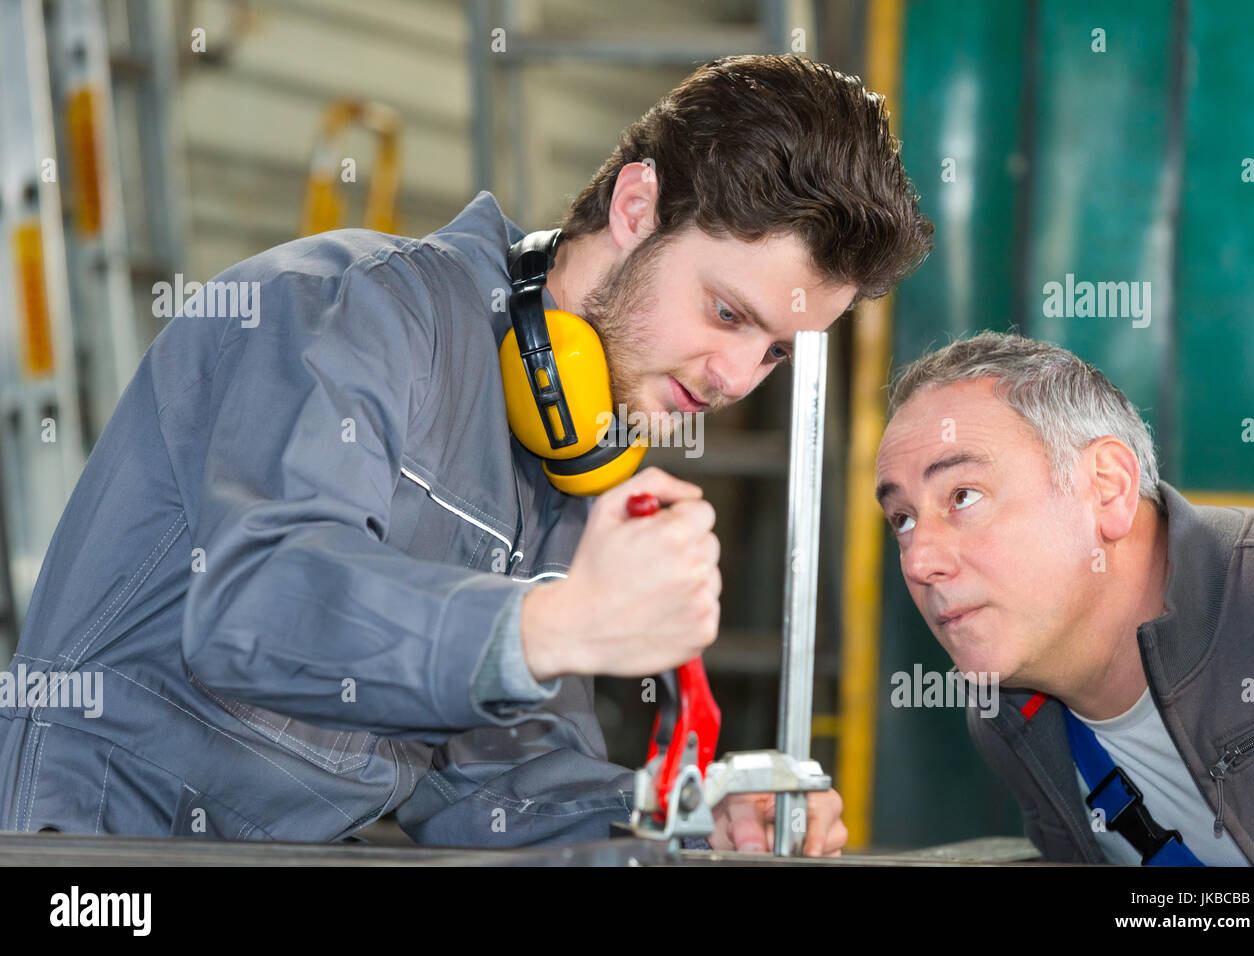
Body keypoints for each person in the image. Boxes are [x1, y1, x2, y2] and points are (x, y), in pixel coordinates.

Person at [0, 53, 931, 852]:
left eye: (772, 350)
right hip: (101, 840)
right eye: (728, 313)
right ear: (637, 205)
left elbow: (498, 785)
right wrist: (548, 626)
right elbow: (256, 604)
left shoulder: (574, 452)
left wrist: (681, 819)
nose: (735, 376)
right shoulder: (351, 310)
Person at [874, 331, 1254, 865]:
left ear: (1108, 488)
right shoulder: (1015, 725)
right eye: (903, 520)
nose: (917, 561)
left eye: (963, 496)